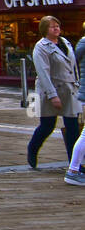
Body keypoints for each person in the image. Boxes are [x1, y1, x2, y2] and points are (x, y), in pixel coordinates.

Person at [26, 15, 79, 169]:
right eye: (52, 26)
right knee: (47, 125)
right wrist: (53, 95)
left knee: (73, 127)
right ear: (44, 30)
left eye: (57, 25)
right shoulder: (41, 47)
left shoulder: (65, 42)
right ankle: (32, 149)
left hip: (69, 89)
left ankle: (74, 164)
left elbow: (73, 66)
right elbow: (43, 73)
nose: (56, 28)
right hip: (50, 90)